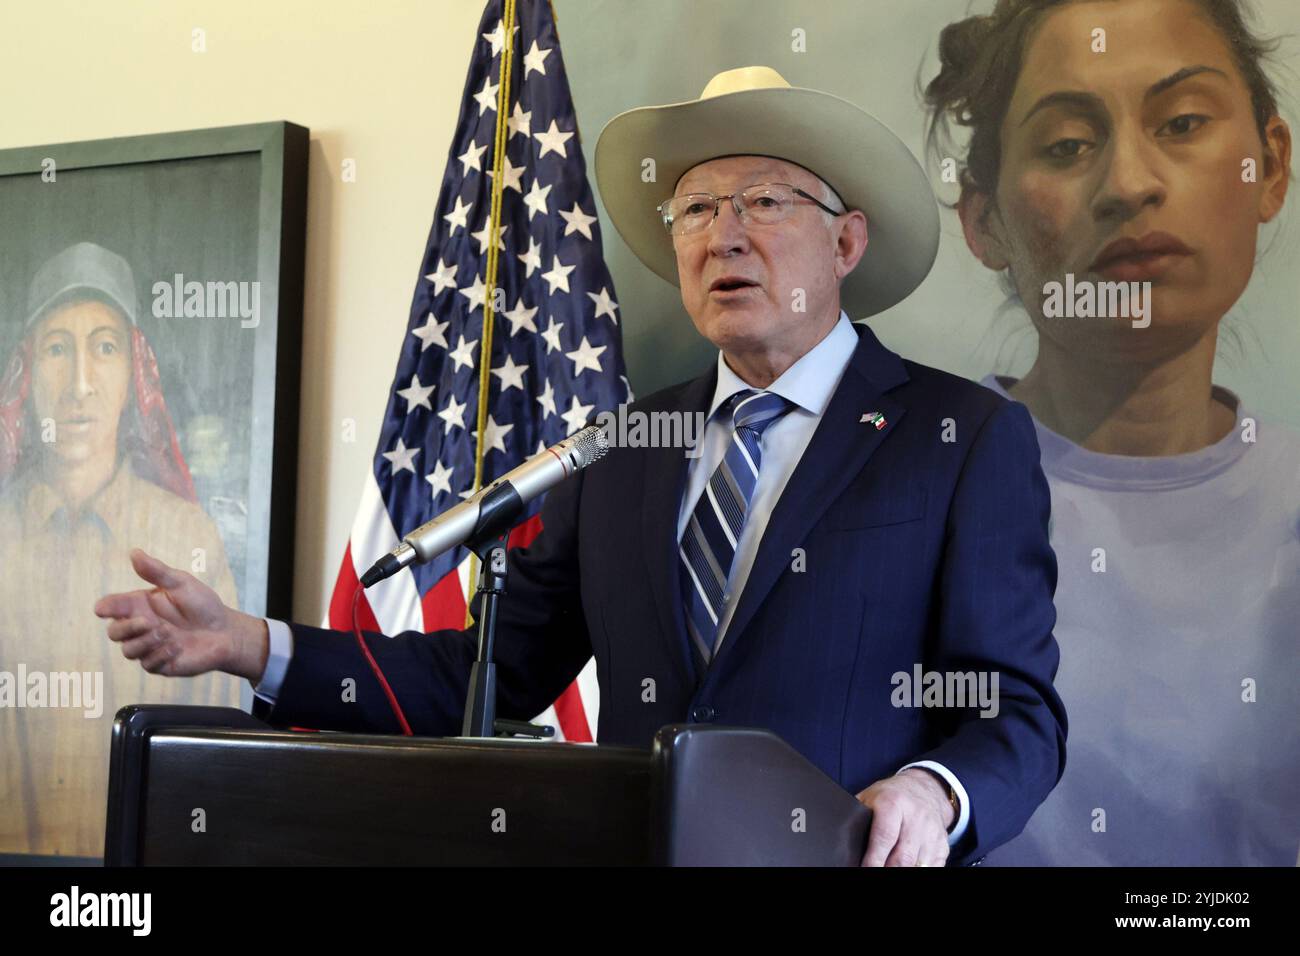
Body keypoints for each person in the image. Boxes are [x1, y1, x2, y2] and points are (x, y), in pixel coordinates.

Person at [96, 67, 1067, 866]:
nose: (723, 233)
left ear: (845, 240)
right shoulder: (621, 446)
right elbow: (484, 673)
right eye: (694, 210)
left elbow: (1014, 711)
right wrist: (248, 642)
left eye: (763, 202)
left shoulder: (960, 434)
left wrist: (936, 793)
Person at [924, 0, 1300, 864]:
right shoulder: (895, 499)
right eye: (1066, 145)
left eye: (1182, 122)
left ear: (1268, 166)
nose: (1130, 183)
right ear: (983, 221)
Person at [0, 242, 239, 857]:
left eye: (104, 347)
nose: (79, 383)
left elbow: (217, 768)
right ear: (28, 371)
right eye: (57, 348)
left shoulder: (189, 540)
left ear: (135, 371)